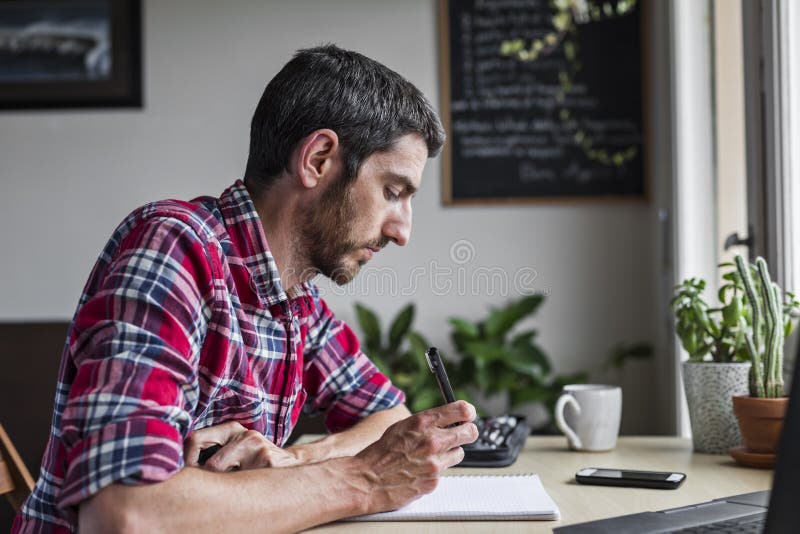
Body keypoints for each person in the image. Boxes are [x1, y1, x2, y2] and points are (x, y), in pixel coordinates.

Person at [13, 45, 478, 533]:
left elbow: (388, 416)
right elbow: (124, 513)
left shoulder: (297, 299)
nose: (402, 231)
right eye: (393, 192)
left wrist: (295, 461)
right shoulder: (174, 251)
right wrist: (363, 479)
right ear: (318, 159)